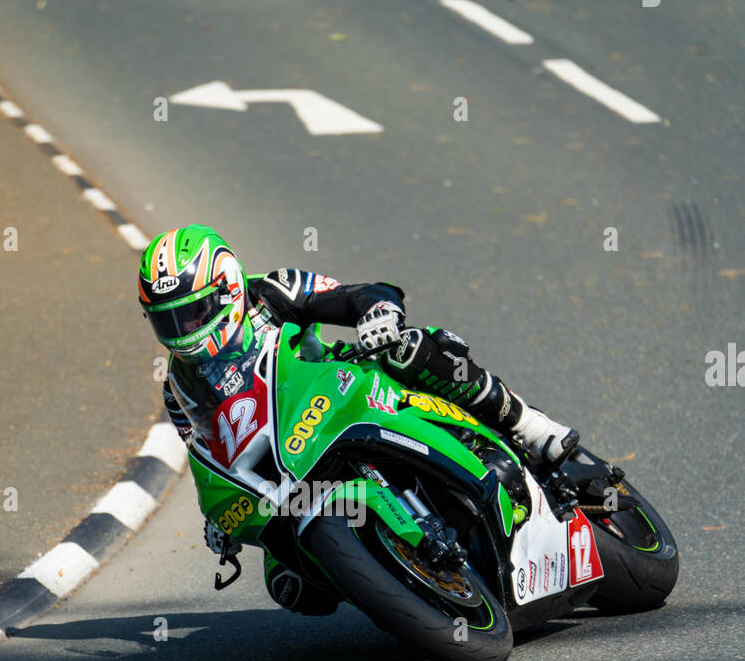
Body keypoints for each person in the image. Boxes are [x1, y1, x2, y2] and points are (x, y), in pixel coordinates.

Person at [139, 224, 578, 613]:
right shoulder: (179, 388)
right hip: (288, 473)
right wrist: (219, 522)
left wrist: (377, 312)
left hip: (341, 393)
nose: (184, 331)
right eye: (168, 322)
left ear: (228, 288)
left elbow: (354, 295)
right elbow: (208, 457)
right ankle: (398, 582)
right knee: (290, 589)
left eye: (192, 313)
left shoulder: (273, 292)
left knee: (410, 350)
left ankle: (532, 428)